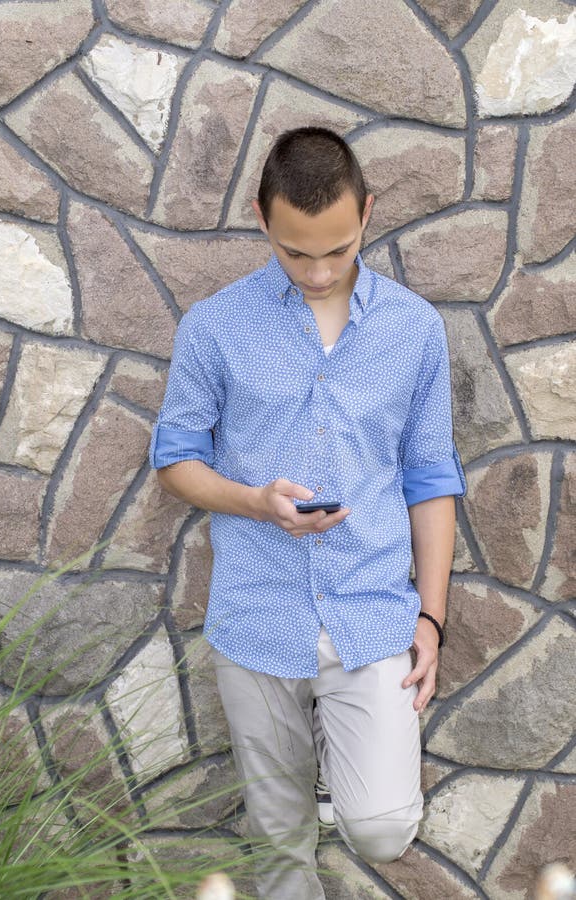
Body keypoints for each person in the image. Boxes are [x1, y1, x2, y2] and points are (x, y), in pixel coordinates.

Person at [149, 126, 466, 900]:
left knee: (384, 828)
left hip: (372, 615)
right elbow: (176, 461)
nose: (319, 272)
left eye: (339, 248)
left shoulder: (414, 330)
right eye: (297, 253)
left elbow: (430, 480)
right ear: (261, 218)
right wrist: (253, 503)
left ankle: (339, 755)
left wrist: (431, 621)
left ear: (368, 212)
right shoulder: (213, 327)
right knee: (281, 849)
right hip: (257, 616)